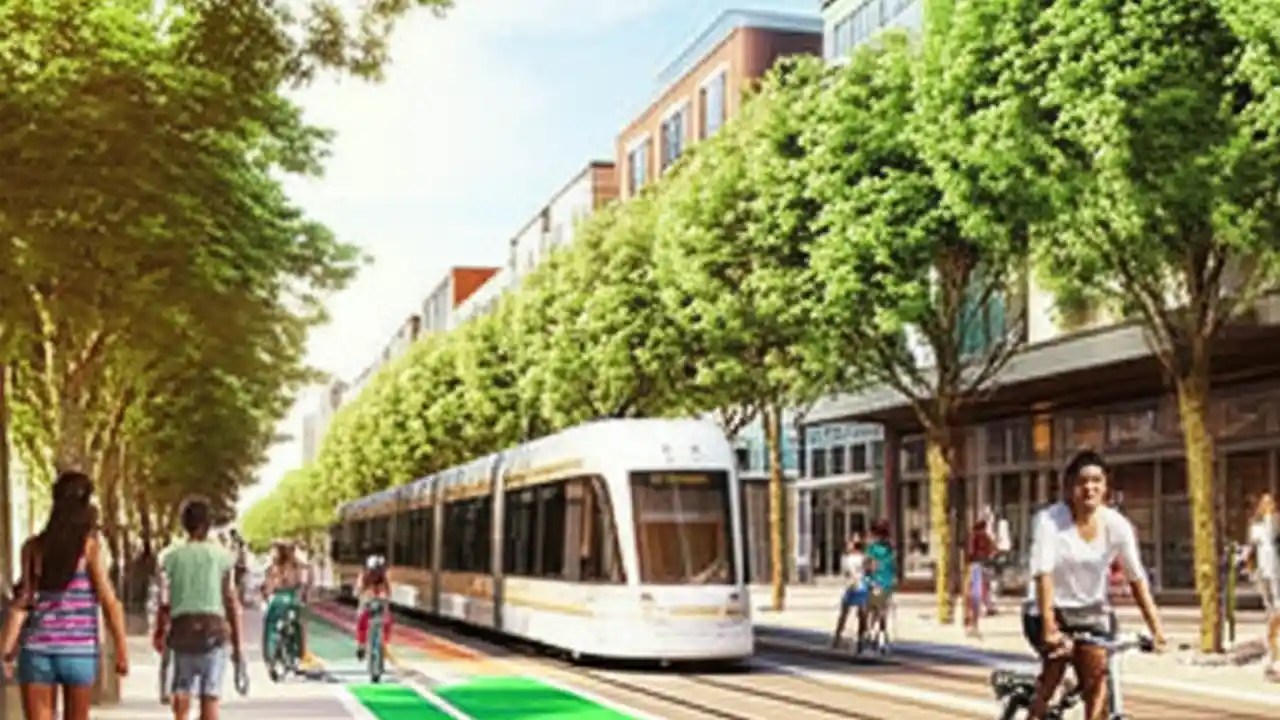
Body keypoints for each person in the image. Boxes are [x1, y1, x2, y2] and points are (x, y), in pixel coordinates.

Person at [1022, 449, 1167, 720]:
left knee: (1099, 682)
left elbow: (1136, 579)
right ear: (1069, 487)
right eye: (1082, 481)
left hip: (1091, 613)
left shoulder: (1117, 525)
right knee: (1055, 669)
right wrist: (1050, 628)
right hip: (1047, 610)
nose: (1090, 487)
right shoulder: (1050, 521)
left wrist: (1156, 629)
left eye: (1096, 481)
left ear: (1106, 487)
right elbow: (1044, 574)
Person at [0, 471, 129, 720]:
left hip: (38, 650)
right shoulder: (89, 548)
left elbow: (23, 602)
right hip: (78, 652)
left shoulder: (34, 548)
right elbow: (109, 601)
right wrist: (121, 650)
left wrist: (6, 650)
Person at [153, 496, 242, 720]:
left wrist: (159, 630)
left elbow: (164, 601)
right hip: (214, 632)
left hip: (181, 631)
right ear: (208, 525)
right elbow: (230, 600)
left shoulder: (168, 557)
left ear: (184, 524)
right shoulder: (223, 557)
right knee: (210, 697)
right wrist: (238, 646)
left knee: (181, 692)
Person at [1243, 492, 1279, 679]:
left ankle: (1275, 657)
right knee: (1271, 610)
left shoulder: (1275, 523)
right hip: (1264, 570)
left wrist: (1271, 518)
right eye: (1265, 503)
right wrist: (1250, 569)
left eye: (1271, 503)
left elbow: (1274, 535)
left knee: (1277, 611)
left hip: (1276, 569)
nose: (1268, 506)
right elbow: (1251, 548)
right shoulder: (1256, 526)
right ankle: (1273, 656)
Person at [261, 540, 311, 667]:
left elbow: (266, 585)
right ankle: (299, 653)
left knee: (269, 622)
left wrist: (265, 595)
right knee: (299, 623)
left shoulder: (276, 565)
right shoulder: (293, 564)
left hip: (279, 597)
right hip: (289, 597)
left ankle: (270, 655)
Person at [864, 519, 897, 646]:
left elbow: (868, 564)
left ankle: (872, 632)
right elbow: (893, 565)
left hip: (876, 581)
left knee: (873, 608)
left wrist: (867, 576)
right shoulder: (890, 548)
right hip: (887, 581)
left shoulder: (873, 548)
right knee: (882, 608)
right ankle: (881, 632)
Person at [830, 536, 867, 648]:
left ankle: (842, 638)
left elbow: (847, 573)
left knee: (856, 614)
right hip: (856, 587)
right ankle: (856, 638)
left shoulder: (852, 558)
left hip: (856, 587)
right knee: (856, 614)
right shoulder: (855, 558)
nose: (848, 546)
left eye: (850, 544)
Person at [355, 555, 393, 661]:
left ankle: (385, 644)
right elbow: (359, 590)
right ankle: (361, 645)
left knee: (388, 620)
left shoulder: (384, 577)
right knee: (362, 619)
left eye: (378, 571)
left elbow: (389, 591)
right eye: (373, 571)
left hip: (380, 602)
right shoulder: (364, 576)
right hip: (367, 602)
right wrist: (363, 595)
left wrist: (386, 598)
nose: (376, 574)